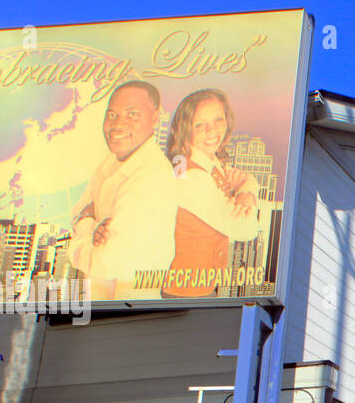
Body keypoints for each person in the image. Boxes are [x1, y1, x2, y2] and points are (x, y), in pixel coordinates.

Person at [70, 81, 178, 301]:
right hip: (99, 306)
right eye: (111, 115)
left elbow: (104, 264)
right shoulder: (108, 165)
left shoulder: (152, 175)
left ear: (155, 119)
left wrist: (86, 226)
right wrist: (91, 232)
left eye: (132, 114)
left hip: (132, 312)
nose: (117, 125)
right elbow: (76, 214)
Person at [161, 89, 261, 299]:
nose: (212, 130)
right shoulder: (191, 175)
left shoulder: (212, 163)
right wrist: (247, 198)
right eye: (200, 125)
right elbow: (245, 229)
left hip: (204, 285)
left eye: (218, 120)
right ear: (184, 129)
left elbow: (247, 179)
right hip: (185, 292)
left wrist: (246, 195)